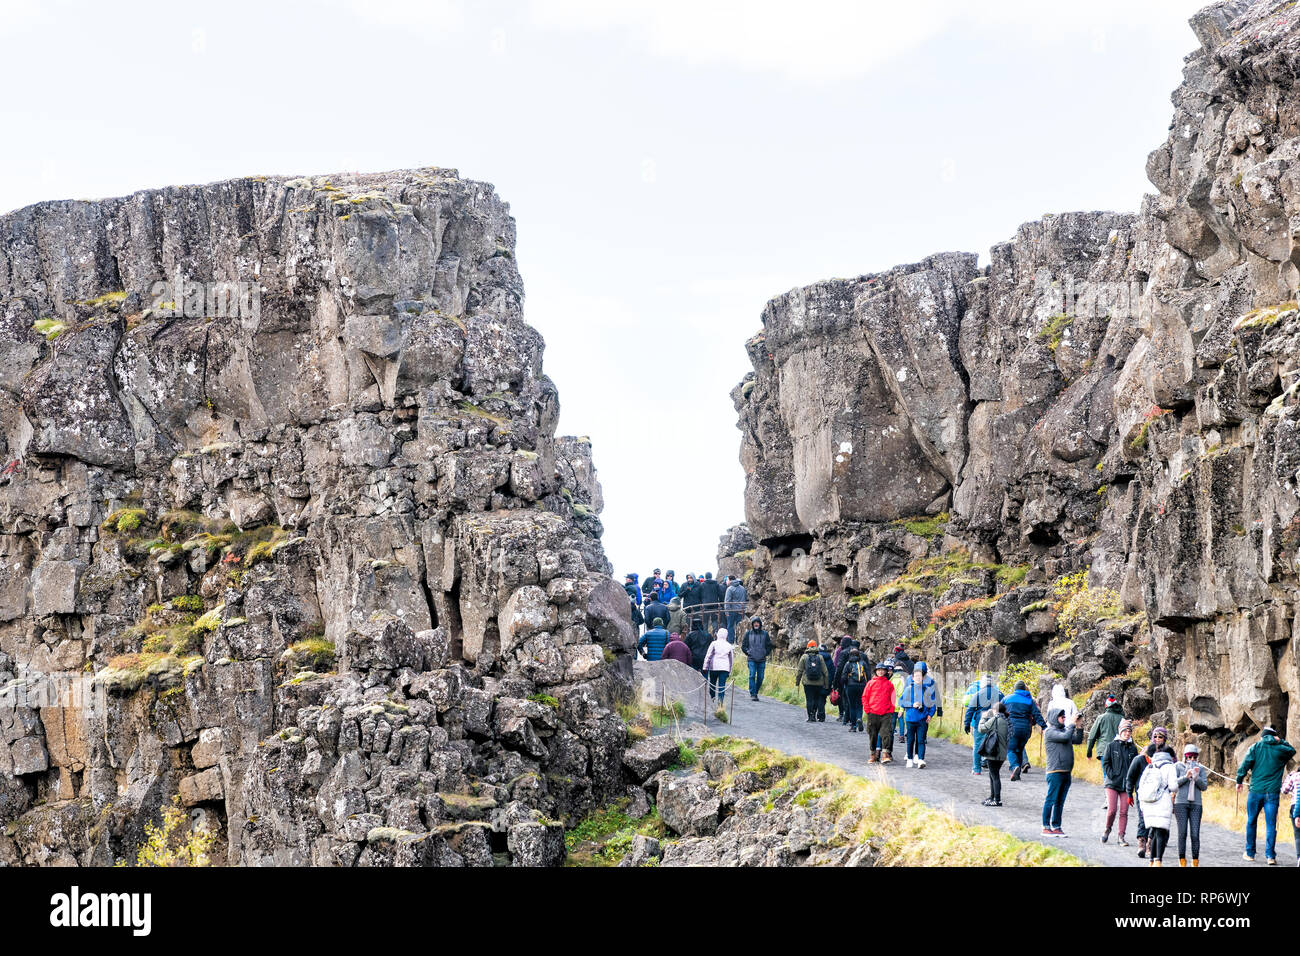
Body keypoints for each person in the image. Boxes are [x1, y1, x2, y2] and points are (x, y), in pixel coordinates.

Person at [1235, 725, 1297, 864]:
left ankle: (1250, 853)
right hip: (1272, 793)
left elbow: (1244, 765)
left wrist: (1239, 780)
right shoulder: (1281, 749)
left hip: (1255, 791)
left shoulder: (1255, 747)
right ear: (1274, 736)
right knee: (1270, 825)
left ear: (1263, 736)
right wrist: (1281, 741)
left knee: (1251, 821)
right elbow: (1292, 750)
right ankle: (1270, 856)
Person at [1126, 728, 1174, 858]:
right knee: (1143, 819)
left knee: (1156, 821)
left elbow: (1173, 776)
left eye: (1161, 737)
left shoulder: (1169, 757)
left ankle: (1150, 843)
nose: (1158, 739)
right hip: (1144, 794)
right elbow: (1130, 777)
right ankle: (1141, 842)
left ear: (1165, 738)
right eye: (1156, 736)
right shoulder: (1140, 759)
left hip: (1161, 795)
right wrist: (1129, 793)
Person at [1042, 706, 1083, 836]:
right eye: (1062, 717)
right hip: (1055, 771)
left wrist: (1079, 726)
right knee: (1051, 799)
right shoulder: (1049, 732)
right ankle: (1046, 827)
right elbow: (1065, 737)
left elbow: (1077, 740)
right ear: (1055, 718)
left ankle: (1056, 826)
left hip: (1066, 771)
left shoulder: (1064, 730)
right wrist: (1071, 723)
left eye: (1065, 717)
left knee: (1060, 801)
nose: (1064, 719)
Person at [1138, 750, 1179, 866]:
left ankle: (1151, 861)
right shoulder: (1170, 767)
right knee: (1161, 832)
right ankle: (1158, 860)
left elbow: (1141, 784)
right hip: (1163, 801)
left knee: (1154, 831)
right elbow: (1173, 786)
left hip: (1149, 802)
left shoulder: (1150, 766)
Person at [1101, 720, 1138, 846]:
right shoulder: (1111, 746)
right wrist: (1112, 775)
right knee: (1112, 810)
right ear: (1120, 731)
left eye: (1129, 731)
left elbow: (1136, 766)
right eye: (1125, 731)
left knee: (1124, 811)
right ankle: (1107, 828)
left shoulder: (1133, 748)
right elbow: (1105, 762)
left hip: (1126, 786)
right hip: (1112, 783)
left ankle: (1121, 836)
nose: (1127, 733)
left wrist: (1132, 782)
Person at [1172, 743, 1208, 866]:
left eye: (1194, 757)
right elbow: (1173, 784)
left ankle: (1195, 860)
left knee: (1195, 833)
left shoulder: (1201, 769)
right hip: (1180, 803)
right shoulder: (1178, 766)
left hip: (1196, 804)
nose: (1191, 760)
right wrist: (1185, 777)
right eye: (1189, 757)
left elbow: (1204, 787)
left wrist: (1196, 777)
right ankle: (1182, 860)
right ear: (1185, 756)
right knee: (1182, 832)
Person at [898, 661, 938, 768]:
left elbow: (933, 703)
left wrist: (930, 714)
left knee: (921, 739)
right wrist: (911, 705)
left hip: (922, 718)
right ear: (913, 676)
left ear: (924, 675)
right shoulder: (908, 687)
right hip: (911, 718)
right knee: (910, 739)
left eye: (920, 675)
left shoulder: (928, 686)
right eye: (916, 675)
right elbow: (901, 701)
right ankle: (910, 757)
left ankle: (920, 759)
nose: (918, 677)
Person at [1004, 680, 1046, 780]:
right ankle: (1017, 774)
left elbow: (999, 712)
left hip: (1012, 728)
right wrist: (1044, 727)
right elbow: (1037, 714)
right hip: (1026, 729)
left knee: (1010, 748)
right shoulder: (1029, 700)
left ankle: (1015, 766)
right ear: (1024, 689)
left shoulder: (1007, 699)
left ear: (1015, 688)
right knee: (1020, 748)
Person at [963, 674, 1004, 775]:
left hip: (980, 723)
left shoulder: (977, 694)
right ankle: (992, 769)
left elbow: (970, 710)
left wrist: (966, 724)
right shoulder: (1000, 694)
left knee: (977, 746)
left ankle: (976, 769)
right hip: (995, 723)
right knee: (993, 744)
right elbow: (1004, 708)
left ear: (983, 683)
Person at [863, 662, 897, 764]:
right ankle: (873, 754)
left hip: (886, 714)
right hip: (873, 713)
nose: (881, 671)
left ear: (886, 672)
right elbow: (865, 697)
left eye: (883, 670)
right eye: (879, 670)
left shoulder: (889, 684)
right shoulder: (870, 683)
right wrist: (867, 709)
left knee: (886, 733)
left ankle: (885, 755)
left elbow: (893, 698)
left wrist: (891, 710)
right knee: (872, 734)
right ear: (876, 671)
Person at [978, 702, 1011, 806]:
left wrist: (983, 718)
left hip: (993, 752)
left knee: (995, 776)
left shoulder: (995, 719)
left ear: (995, 710)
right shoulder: (1007, 721)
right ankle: (992, 797)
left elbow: (981, 729)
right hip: (1003, 753)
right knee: (993, 774)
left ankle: (997, 799)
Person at [795, 640, 829, 723]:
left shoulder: (804, 657)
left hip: (807, 682)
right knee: (816, 699)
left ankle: (811, 717)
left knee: (809, 699)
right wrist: (826, 684)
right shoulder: (820, 657)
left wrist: (797, 681)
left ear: (808, 647)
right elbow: (825, 672)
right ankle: (814, 713)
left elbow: (799, 671)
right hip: (819, 683)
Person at [740, 617, 772, 701]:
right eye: (754, 623)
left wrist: (765, 653)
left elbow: (769, 646)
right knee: (752, 675)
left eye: (757, 623)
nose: (756, 624)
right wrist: (748, 652)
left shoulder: (765, 634)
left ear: (760, 624)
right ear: (752, 624)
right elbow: (743, 646)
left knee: (760, 677)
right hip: (751, 659)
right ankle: (753, 694)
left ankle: (755, 692)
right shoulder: (748, 634)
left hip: (762, 660)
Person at [839, 647, 868, 733]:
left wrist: (843, 684)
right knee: (859, 704)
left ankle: (853, 725)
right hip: (862, 686)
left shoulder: (848, 664)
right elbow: (868, 675)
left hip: (851, 686)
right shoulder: (863, 663)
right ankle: (859, 718)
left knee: (852, 706)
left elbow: (843, 676)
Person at [1086, 695, 1125, 760]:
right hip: (1119, 751)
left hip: (1104, 751)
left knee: (1106, 770)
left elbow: (1092, 737)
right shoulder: (1122, 718)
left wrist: (1089, 754)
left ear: (1106, 706)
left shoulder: (1101, 718)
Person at [702, 628, 734, 708]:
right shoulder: (729, 645)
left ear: (718, 634)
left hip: (714, 667)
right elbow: (731, 659)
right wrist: (730, 670)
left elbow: (708, 656)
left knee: (712, 684)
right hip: (724, 668)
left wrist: (705, 667)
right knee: (721, 686)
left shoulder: (714, 643)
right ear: (726, 635)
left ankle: (712, 700)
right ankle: (720, 703)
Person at [1281, 765, 1300, 866]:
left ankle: (1299, 858)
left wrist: (1289, 776)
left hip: (1295, 806)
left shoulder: (1295, 776)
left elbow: (1284, 790)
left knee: (1298, 834)